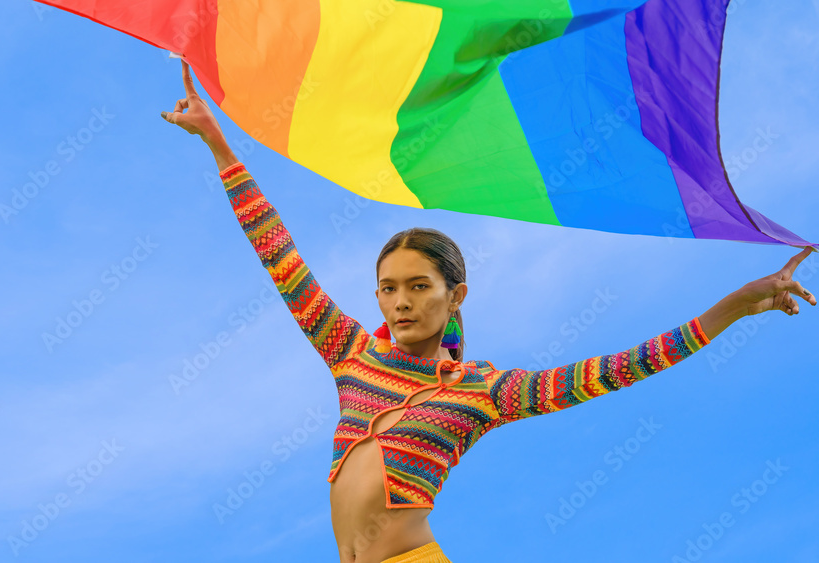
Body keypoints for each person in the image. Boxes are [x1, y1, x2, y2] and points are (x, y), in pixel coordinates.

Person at [161, 59, 816, 563]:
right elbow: (280, 256)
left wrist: (733, 307)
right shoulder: (350, 354)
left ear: (456, 296)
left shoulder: (483, 391)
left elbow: (614, 369)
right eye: (387, 288)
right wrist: (220, 147)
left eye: (419, 285)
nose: (400, 301)